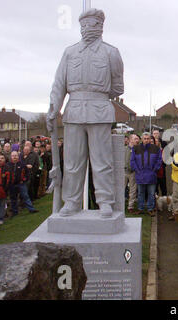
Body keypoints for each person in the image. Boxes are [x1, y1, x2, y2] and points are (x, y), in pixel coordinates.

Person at [46, 8, 124, 218]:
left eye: (91, 25)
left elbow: (118, 87)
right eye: (83, 25)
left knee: (101, 161)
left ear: (100, 26)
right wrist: (54, 106)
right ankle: (71, 201)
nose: (86, 29)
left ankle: (105, 201)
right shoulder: (70, 53)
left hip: (100, 111)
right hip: (74, 113)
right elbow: (59, 84)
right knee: (72, 161)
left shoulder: (111, 53)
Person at [131, 132, 162, 216]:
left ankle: (150, 209)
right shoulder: (136, 148)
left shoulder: (156, 148)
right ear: (141, 139)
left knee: (151, 193)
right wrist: (137, 170)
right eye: (144, 138)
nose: (146, 140)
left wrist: (154, 169)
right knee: (140, 193)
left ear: (150, 139)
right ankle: (140, 208)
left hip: (151, 175)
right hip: (140, 175)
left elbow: (159, 160)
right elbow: (133, 161)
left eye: (148, 138)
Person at [7, 151, 38, 216]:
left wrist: (24, 180)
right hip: (12, 185)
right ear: (11, 157)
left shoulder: (22, 165)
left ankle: (31, 209)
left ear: (18, 156)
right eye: (13, 156)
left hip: (21, 184)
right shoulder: (8, 165)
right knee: (13, 199)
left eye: (15, 155)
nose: (14, 157)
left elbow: (27, 174)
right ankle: (15, 212)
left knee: (25, 196)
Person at [125, 134, 140, 214]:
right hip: (123, 172)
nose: (137, 140)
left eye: (137, 139)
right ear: (130, 140)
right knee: (120, 189)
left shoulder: (138, 150)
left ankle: (130, 206)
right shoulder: (124, 149)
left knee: (133, 190)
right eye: (135, 139)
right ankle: (118, 205)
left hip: (133, 173)